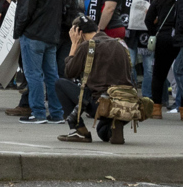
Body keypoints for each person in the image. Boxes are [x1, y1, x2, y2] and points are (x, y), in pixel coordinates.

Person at [56, 15, 135, 144]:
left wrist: (74, 45)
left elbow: (69, 72)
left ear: (78, 33)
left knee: (60, 84)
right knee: (102, 132)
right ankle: (115, 125)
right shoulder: (120, 44)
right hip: (125, 104)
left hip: (100, 104)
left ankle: (78, 130)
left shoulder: (87, 45)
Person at [13, 0, 68, 125]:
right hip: (51, 36)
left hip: (33, 35)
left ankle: (37, 112)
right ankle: (57, 113)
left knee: (34, 75)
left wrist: (18, 31)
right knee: (51, 75)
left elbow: (24, 10)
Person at [126, 0, 159, 99]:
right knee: (130, 64)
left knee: (149, 68)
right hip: (132, 34)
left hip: (148, 34)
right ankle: (132, 92)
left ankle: (147, 96)